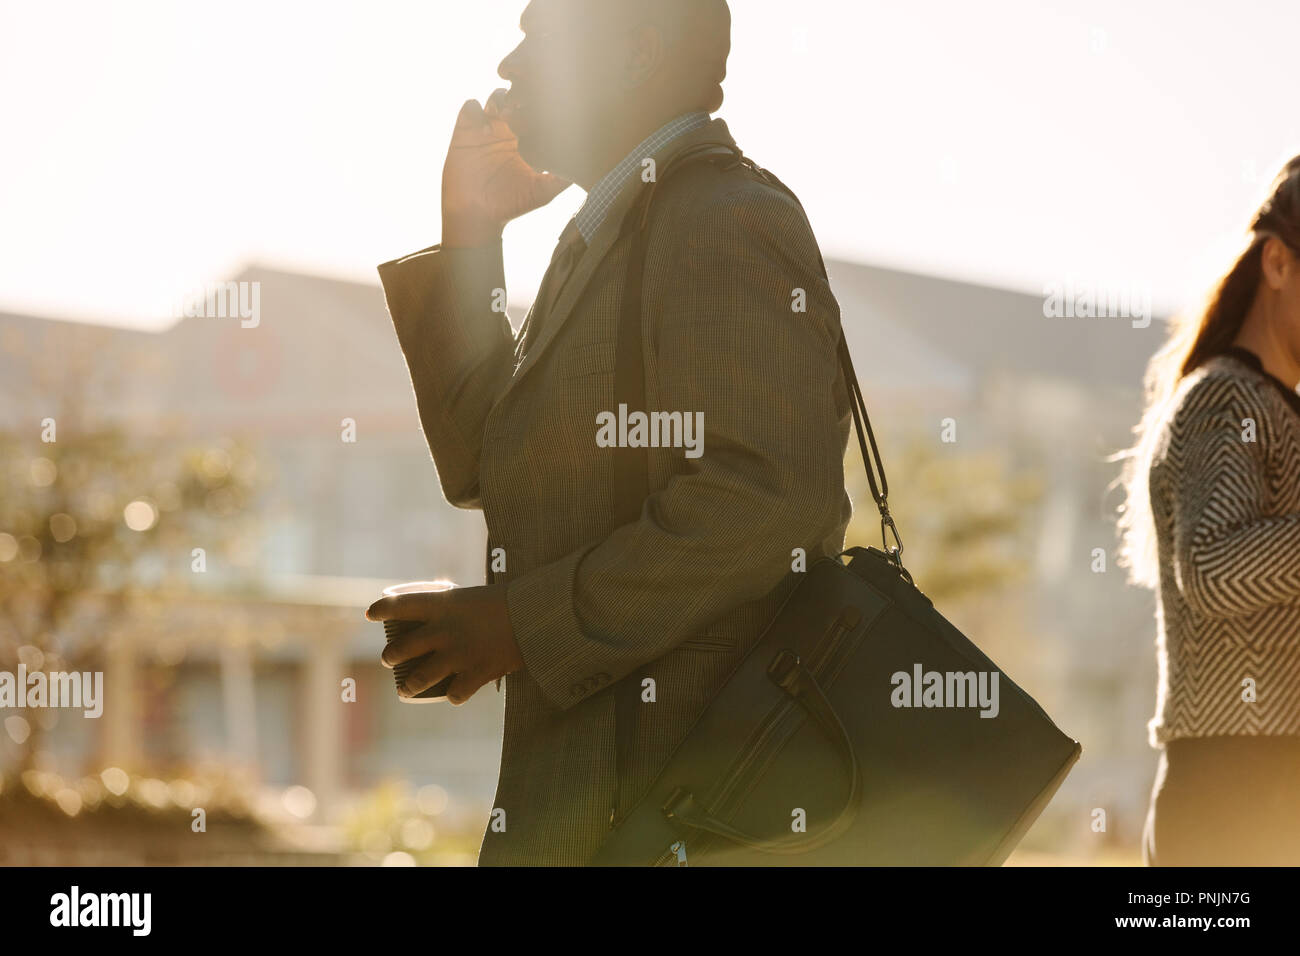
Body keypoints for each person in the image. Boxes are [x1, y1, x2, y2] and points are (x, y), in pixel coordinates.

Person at [365, 0, 851, 865]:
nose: (508, 64)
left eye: (540, 37)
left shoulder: (725, 218)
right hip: (599, 808)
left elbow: (769, 499)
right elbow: (488, 458)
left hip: (688, 816)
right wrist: (472, 237)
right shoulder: (614, 233)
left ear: (634, 53)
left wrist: (522, 624)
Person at [1115, 155, 1300, 865]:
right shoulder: (1226, 399)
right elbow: (1216, 569)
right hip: (1236, 794)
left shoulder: (1278, 407)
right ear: (1278, 263)